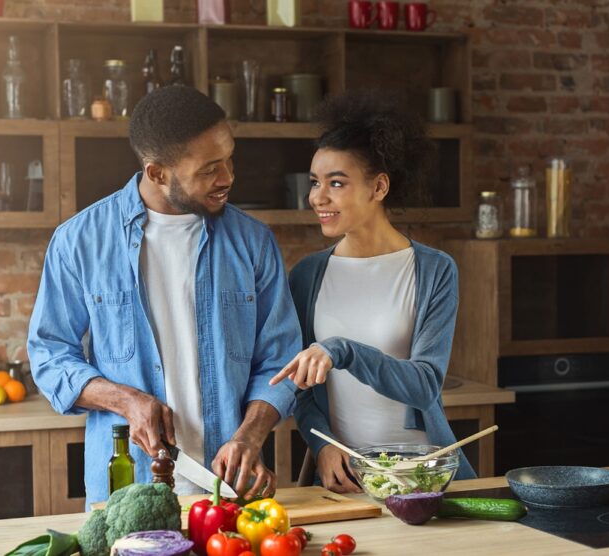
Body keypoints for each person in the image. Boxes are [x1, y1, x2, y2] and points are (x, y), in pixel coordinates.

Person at [28, 86, 300, 505]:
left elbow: (280, 359)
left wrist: (250, 437)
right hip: (127, 491)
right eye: (209, 169)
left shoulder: (253, 243)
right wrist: (126, 400)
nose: (228, 177)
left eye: (229, 158)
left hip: (231, 494)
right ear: (157, 173)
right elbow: (49, 357)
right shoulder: (79, 241)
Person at [270, 91, 475, 493]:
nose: (317, 197)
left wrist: (341, 350)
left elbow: (423, 385)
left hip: (423, 477)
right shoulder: (308, 274)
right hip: (344, 480)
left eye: (336, 183)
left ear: (378, 187)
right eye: (315, 182)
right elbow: (303, 389)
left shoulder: (433, 271)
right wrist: (322, 445)